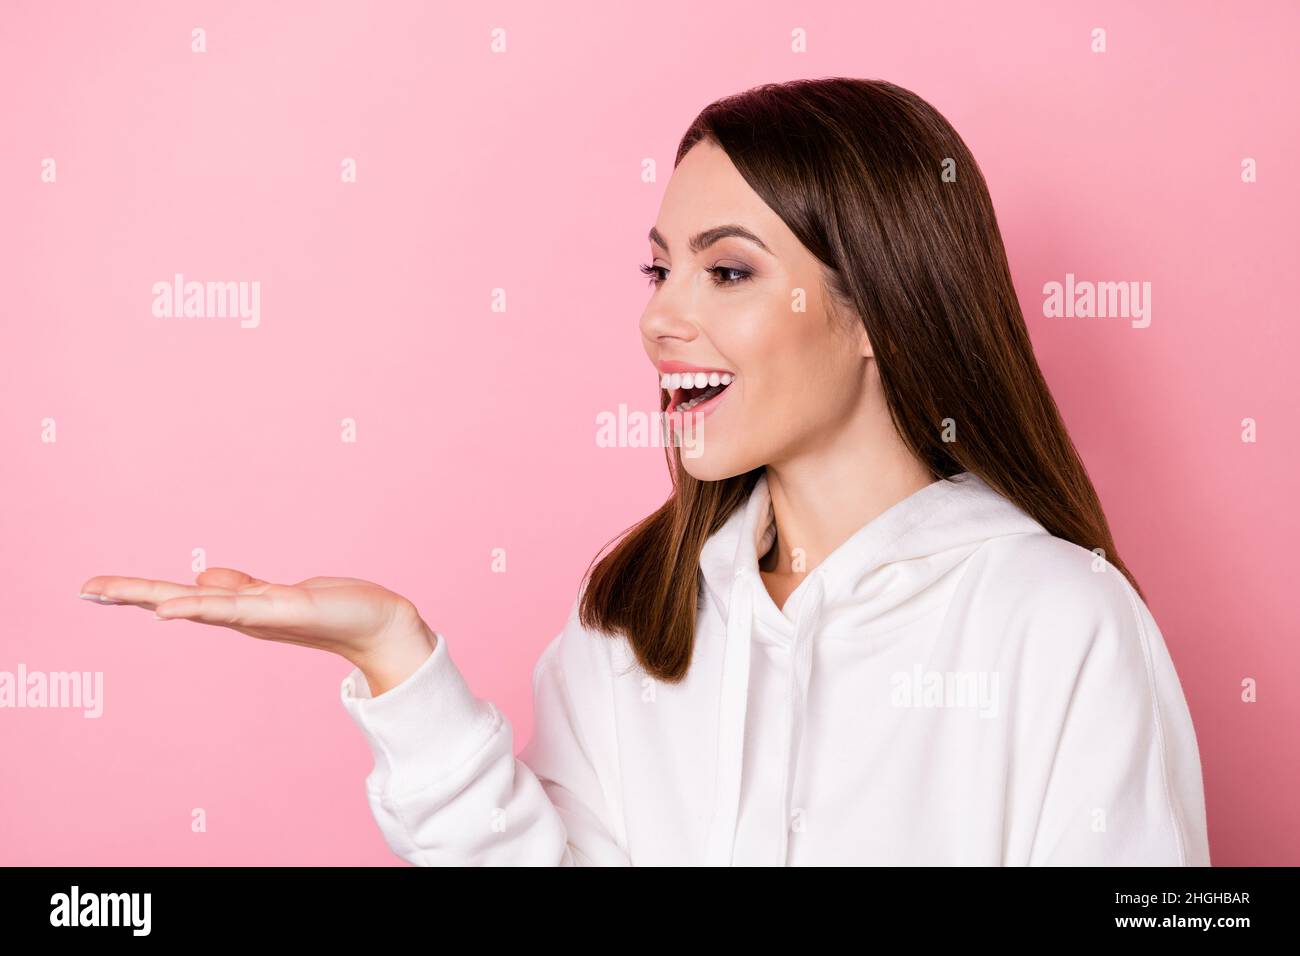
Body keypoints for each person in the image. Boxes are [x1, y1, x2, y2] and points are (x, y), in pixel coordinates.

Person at [78, 77, 1210, 866]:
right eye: (659, 268)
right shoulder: (633, 617)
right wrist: (395, 656)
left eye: (726, 271)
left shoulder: (1058, 623)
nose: (659, 317)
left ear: (877, 309)